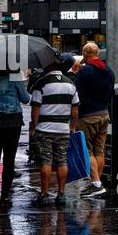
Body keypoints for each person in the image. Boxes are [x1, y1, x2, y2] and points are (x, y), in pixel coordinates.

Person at [29, 57, 79, 208]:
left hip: (44, 129)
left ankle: (44, 194)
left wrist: (33, 127)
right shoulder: (70, 83)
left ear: (49, 65)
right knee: (62, 161)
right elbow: (75, 109)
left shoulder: (41, 83)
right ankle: (61, 194)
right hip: (63, 128)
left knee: (46, 161)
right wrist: (72, 127)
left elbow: (35, 108)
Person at [0, 68, 29, 208]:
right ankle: (5, 197)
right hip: (12, 120)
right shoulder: (15, 77)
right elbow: (25, 99)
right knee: (9, 160)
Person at [74, 41, 114, 198]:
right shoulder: (109, 71)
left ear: (85, 54)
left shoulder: (86, 72)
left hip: (87, 116)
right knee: (99, 149)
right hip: (104, 114)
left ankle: (96, 183)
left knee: (87, 150)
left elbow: (76, 95)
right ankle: (96, 183)